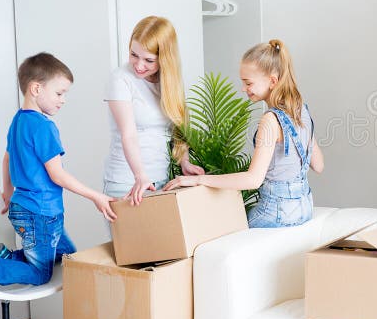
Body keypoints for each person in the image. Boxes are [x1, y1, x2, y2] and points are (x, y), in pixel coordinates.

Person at [0, 53, 116, 286]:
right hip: (40, 214)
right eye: (59, 93)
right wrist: (96, 196)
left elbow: (6, 159)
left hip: (27, 208)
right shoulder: (43, 127)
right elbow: (58, 175)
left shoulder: (18, 121)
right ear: (36, 88)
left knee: (66, 254)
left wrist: (7, 194)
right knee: (40, 274)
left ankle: (7, 258)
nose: (63, 100)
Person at [163, 39, 325, 228]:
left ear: (273, 81)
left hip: (277, 213)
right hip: (304, 207)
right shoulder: (301, 110)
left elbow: (253, 180)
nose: (243, 89)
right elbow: (319, 165)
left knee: (214, 227)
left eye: (248, 83)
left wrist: (199, 179)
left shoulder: (270, 120)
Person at [104, 16, 204, 206]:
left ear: (165, 59)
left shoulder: (169, 83)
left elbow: (176, 127)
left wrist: (185, 162)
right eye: (134, 55)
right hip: (127, 182)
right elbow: (128, 134)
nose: (139, 65)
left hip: (161, 181)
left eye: (149, 60)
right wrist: (140, 176)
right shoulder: (121, 79)